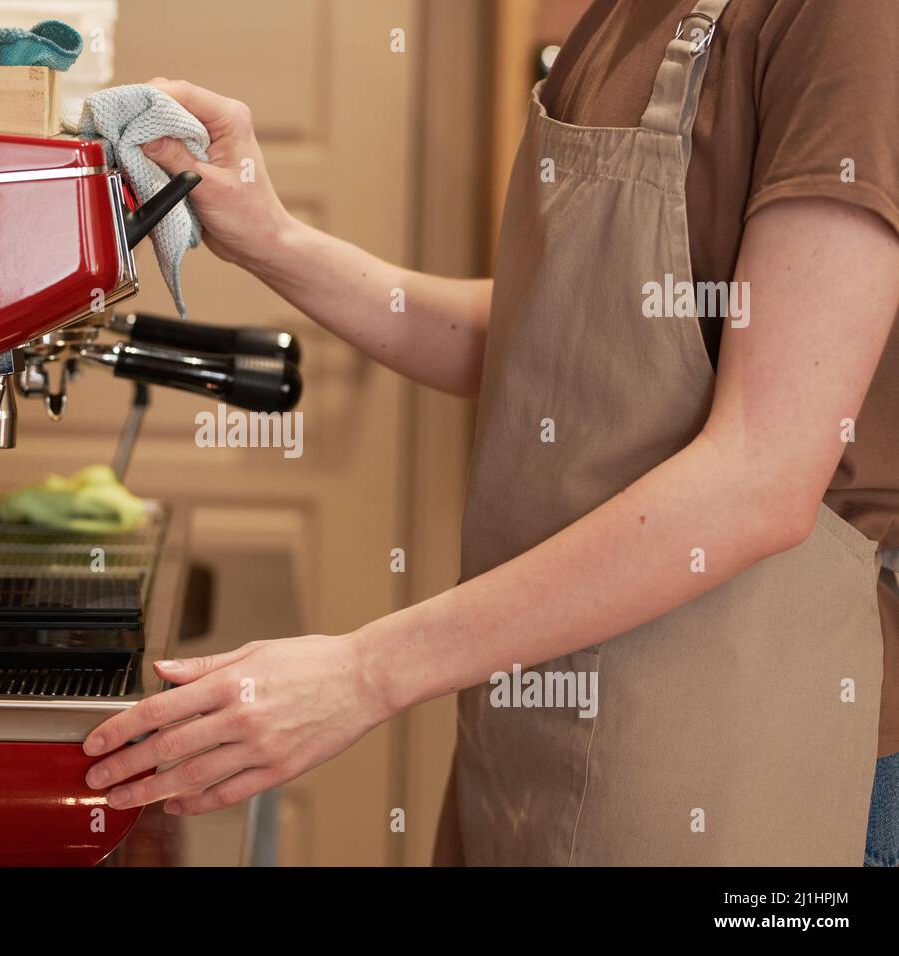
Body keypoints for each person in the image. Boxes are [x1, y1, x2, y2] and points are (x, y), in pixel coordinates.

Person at [81, 0, 899, 865]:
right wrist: (272, 239)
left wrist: (365, 673)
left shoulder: (844, 20)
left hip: (747, 750)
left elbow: (761, 476)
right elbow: (542, 340)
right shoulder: (621, 19)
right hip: (533, 716)